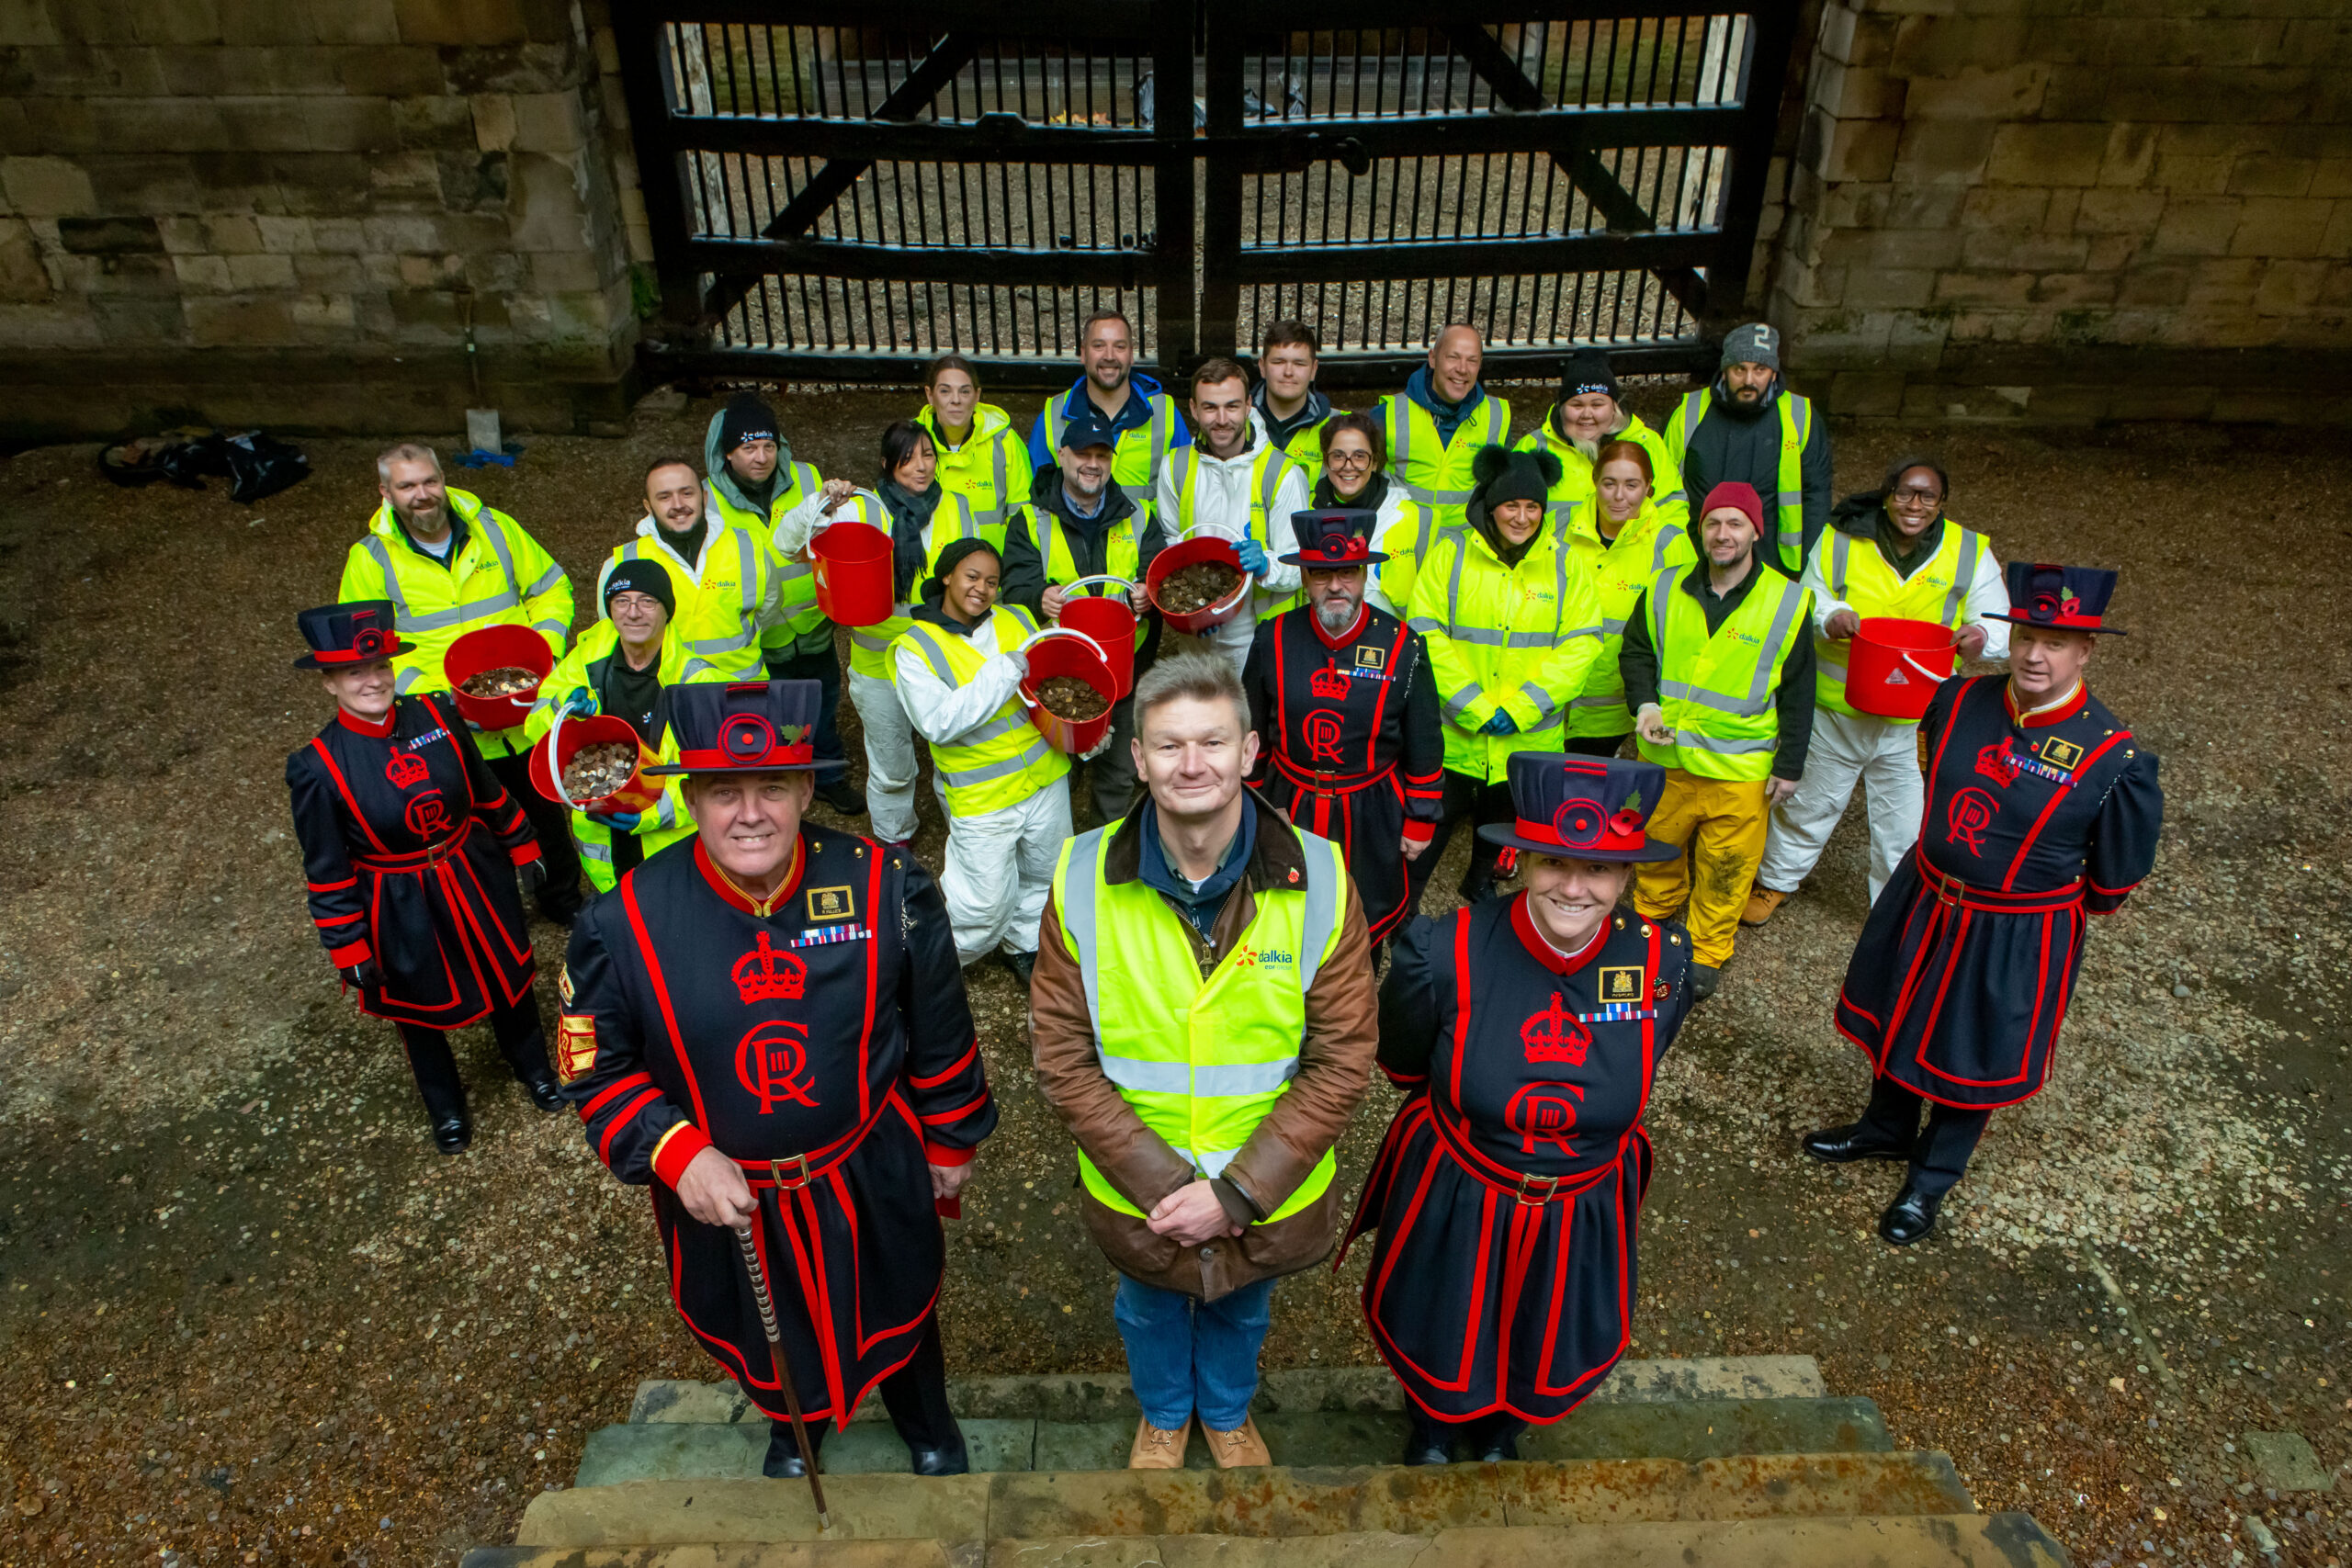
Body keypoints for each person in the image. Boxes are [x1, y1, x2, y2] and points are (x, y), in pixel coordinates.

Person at [560, 679, 999, 1475]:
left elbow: (937, 1022)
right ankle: (792, 1426)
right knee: (771, 1329)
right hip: (735, 1196)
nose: (749, 812)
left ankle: (928, 1424)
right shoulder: (621, 921)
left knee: (898, 1302)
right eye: (724, 790)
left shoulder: (888, 886)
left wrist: (951, 1132)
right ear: (691, 798)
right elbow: (595, 1069)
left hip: (866, 1166)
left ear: (804, 788)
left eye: (771, 787)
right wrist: (675, 1150)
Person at [1030, 653, 1377, 1471]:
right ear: (1138, 758)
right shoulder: (1080, 876)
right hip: (1138, 1187)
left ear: (1251, 751)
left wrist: (1233, 1195)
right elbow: (1062, 1054)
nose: (1193, 764)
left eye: (1213, 742)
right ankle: (1164, 1413)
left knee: (1243, 1309)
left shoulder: (1323, 877)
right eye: (1170, 745)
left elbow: (1342, 1059)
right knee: (1146, 1307)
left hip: (1266, 1186)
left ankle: (1223, 1411)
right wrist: (1170, 1189)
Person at [1344, 752, 1693, 1461]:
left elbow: (1640, 1067)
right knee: (1442, 1319)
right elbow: (1403, 1063)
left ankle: (1503, 1427)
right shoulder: (1442, 949)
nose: (1573, 887)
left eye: (1598, 869)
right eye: (1552, 862)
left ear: (1627, 875)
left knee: (1547, 1325)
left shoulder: (1666, 961)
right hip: (1463, 1188)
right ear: (1520, 859)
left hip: (1580, 1203)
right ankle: (1436, 1424)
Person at [1804, 565, 2160, 1245]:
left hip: (2015, 928)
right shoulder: (1959, 700)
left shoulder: (2115, 757)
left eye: (2056, 642)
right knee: (1899, 1011)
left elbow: (2112, 883)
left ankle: (1933, 1176)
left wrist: (2020, 901)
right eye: (2027, 633)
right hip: (1929, 892)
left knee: (1977, 1047)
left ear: (2085, 651)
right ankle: (1885, 1128)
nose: (2034, 653)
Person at [285, 601, 562, 1153]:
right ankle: (445, 1106)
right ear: (330, 683)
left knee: (507, 974)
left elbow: (484, 788)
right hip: (398, 898)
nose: (374, 680)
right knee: (417, 1006)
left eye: (381, 667)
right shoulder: (316, 765)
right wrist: (347, 946)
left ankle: (534, 1067)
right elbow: (326, 867)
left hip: (472, 871)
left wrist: (521, 841)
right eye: (356, 672)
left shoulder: (437, 715)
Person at [1747, 457, 2010, 922]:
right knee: (1809, 804)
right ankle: (1774, 882)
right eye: (1905, 492)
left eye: (1927, 496)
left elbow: (1996, 618)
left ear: (1941, 503)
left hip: (1916, 718)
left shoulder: (1968, 550)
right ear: (1887, 494)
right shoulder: (1840, 538)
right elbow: (1809, 597)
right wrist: (1831, 618)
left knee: (1903, 822)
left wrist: (1982, 638)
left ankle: (1893, 909)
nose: (1915, 504)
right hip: (1839, 708)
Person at [339, 442, 583, 924]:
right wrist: (427, 700)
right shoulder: (371, 560)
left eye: (430, 481)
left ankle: (562, 900)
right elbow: (364, 650)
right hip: (441, 725)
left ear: (443, 480)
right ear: (386, 493)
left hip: (523, 709)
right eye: (407, 486)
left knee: (546, 812)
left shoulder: (495, 529)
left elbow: (552, 587)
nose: (423, 494)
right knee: (471, 827)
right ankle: (495, 912)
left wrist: (545, 650)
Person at [1619, 483, 1815, 1002]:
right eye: (1712, 523)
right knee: (1656, 850)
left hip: (1741, 769)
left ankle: (1706, 951)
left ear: (1756, 530)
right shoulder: (1664, 587)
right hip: (1668, 758)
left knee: (1727, 868)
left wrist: (1790, 764)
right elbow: (1636, 651)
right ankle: (1652, 925)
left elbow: (1799, 692)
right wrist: (1645, 705)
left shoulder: (1788, 601)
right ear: (1700, 529)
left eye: (1734, 524)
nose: (1722, 534)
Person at [1407, 446, 1604, 907]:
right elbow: (1424, 631)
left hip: (1526, 735)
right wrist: (1474, 706)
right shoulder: (1450, 554)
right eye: (1511, 505)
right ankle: (1405, 900)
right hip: (1455, 733)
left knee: (1502, 819)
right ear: (1490, 504)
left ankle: (1479, 878)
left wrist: (1520, 709)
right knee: (1433, 819)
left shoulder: (1566, 564)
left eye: (1532, 506)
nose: (1521, 517)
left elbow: (1583, 643)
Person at [1242, 510, 1444, 945]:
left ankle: (1352, 1006)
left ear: (1364, 573)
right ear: (1304, 578)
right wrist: (1253, 809)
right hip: (1288, 806)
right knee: (1284, 919)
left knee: (1361, 927)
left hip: (1370, 812)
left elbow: (1424, 742)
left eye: (1348, 573)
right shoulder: (1272, 638)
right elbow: (1251, 734)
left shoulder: (1403, 646)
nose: (1336, 586)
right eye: (1321, 574)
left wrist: (1421, 819)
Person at [893, 538, 1069, 987]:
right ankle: (933, 966)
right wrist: (1003, 672)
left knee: (1043, 876)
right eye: (972, 577)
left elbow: (1050, 685)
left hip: (1045, 778)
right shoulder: (914, 649)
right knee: (981, 906)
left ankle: (1024, 943)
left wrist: (1079, 732)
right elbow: (939, 721)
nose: (983, 589)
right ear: (947, 575)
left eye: (992, 581)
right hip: (983, 795)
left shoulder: (1017, 619)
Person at [703, 391, 865, 815]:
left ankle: (828, 776)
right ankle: (780, 784)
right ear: (728, 454)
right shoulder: (706, 502)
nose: (761, 457)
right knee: (768, 713)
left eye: (769, 446)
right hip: (761, 634)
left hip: (812, 623)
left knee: (823, 702)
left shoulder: (809, 479)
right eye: (749, 448)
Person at [1002, 402, 1159, 824]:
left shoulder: (1139, 516)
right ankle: (1059, 845)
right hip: (1058, 671)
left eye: (1101, 456)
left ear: (1110, 461)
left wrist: (1147, 592)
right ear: (1063, 455)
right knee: (1056, 767)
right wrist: (1039, 597)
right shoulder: (1029, 521)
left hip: (1126, 668)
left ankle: (1105, 845)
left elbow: (1155, 571)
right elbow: (1014, 585)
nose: (1092, 465)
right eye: (1083, 455)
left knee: (1119, 771)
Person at [526, 559, 718, 894]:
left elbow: (712, 773)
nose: (633, 612)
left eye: (647, 601)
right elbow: (536, 725)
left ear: (666, 610)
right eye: (621, 601)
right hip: (604, 840)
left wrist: (650, 815)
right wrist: (564, 709)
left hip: (670, 844)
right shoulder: (588, 659)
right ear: (610, 610)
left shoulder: (697, 680)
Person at [768, 460, 920, 845]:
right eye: (908, 458)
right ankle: (893, 838)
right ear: (886, 464)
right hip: (872, 657)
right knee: (889, 755)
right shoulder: (862, 508)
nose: (921, 466)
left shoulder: (956, 507)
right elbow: (788, 545)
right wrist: (821, 505)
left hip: (935, 654)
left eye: (928, 456)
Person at [1154, 357, 1311, 673]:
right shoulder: (1176, 467)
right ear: (1194, 409)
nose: (1222, 419)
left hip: (1259, 638)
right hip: (1197, 638)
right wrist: (1190, 616)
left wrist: (1267, 564)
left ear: (1249, 406)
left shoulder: (1281, 473)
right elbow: (1170, 546)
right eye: (1210, 408)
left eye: (1232, 406)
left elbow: (1299, 564)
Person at [1662, 323, 1831, 581]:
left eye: (1759, 370)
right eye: (1740, 369)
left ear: (1773, 374)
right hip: (1693, 553)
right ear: (1725, 370)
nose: (1749, 380)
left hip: (1772, 558)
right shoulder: (1688, 413)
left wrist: (1806, 564)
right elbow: (1662, 485)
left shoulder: (1801, 416)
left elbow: (1816, 494)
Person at [1561, 441, 1696, 759]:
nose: (1619, 496)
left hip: (1615, 707)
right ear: (1594, 481)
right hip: (1550, 699)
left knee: (1587, 795)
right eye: (1609, 483)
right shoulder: (1557, 527)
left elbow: (1683, 630)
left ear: (1649, 487)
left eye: (1631, 485)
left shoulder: (1669, 543)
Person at [595, 454, 780, 684]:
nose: (678, 505)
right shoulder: (621, 564)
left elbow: (769, 613)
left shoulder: (749, 548)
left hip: (743, 693)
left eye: (687, 493)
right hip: (667, 699)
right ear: (648, 506)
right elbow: (616, 632)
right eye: (664, 497)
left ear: (704, 497)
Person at [1028, 308, 1192, 515]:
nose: (1109, 356)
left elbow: (1187, 492)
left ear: (1131, 355)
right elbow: (1037, 501)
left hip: (1147, 544)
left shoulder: (1165, 413)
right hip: (1075, 545)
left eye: (1120, 347)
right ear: (1083, 354)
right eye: (1099, 346)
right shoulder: (1052, 416)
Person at [1516, 348, 1689, 538]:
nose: (1587, 415)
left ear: (1614, 408)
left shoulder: (1646, 443)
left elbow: (1671, 508)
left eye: (1597, 405)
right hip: (1554, 563)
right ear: (1560, 408)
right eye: (1577, 405)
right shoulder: (1534, 446)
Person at [1376, 325, 1511, 533]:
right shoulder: (1389, 413)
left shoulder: (1497, 417)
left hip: (1464, 550)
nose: (1462, 369)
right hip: (1403, 544)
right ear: (1433, 358)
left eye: (1472, 360)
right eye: (1453, 357)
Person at [1311, 412, 1435, 619]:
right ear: (1326, 461)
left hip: (1391, 644)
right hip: (1319, 642)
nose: (1348, 465)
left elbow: (1428, 602)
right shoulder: (1306, 514)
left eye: (1360, 456)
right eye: (1338, 456)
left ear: (1375, 462)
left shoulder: (1412, 517)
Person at [912, 353, 1032, 546]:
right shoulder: (910, 440)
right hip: (927, 570)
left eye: (965, 391)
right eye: (945, 391)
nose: (956, 400)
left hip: (993, 569)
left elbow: (1024, 514)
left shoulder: (1004, 440)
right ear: (930, 395)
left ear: (977, 396)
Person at [1251, 320, 1339, 487]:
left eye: (1299, 364)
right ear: (1262, 367)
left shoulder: (1339, 427)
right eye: (1278, 362)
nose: (1288, 372)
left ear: (1313, 369)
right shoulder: (1235, 422)